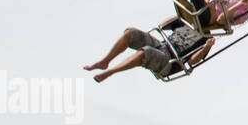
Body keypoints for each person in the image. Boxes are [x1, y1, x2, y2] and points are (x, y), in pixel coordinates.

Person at [83, 19, 214, 83]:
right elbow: (162, 25)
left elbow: (192, 61)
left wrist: (207, 47)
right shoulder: (188, 22)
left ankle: (111, 72)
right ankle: (104, 62)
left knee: (147, 52)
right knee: (131, 33)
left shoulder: (205, 38)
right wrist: (179, 16)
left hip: (170, 61)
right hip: (162, 45)